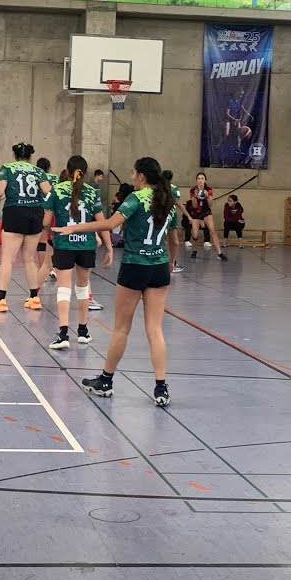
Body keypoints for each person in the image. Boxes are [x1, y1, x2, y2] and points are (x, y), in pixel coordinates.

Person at [54, 157, 175, 406]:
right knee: (155, 329)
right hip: (159, 268)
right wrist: (172, 261)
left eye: (133, 172)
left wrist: (75, 228)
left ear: (141, 176)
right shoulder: (168, 201)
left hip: (134, 267)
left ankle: (106, 381)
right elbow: (173, 238)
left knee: (121, 328)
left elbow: (110, 224)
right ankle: (161, 388)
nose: (131, 176)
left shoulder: (136, 199)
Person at [42, 155, 111, 349]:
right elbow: (102, 221)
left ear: (67, 169)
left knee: (64, 288)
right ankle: (83, 331)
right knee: (82, 287)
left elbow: (46, 221)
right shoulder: (91, 192)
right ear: (86, 171)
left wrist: (51, 234)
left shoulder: (56, 190)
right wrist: (109, 246)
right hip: (86, 246)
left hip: (64, 244)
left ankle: (63, 334)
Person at [0, 143, 52, 312]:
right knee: (29, 259)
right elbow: (49, 192)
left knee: (7, 259)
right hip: (35, 212)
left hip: (15, 211)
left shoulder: (7, 168)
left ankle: (0, 300)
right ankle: (34, 298)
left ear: (15, 155)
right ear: (30, 156)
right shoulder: (38, 171)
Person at [186, 172, 226, 261]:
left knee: (212, 231)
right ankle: (195, 250)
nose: (200, 180)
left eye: (202, 178)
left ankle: (219, 253)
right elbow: (194, 205)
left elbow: (210, 204)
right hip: (196, 213)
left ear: (205, 180)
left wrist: (208, 197)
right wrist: (195, 197)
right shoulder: (193, 190)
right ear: (196, 180)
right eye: (199, 179)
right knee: (195, 235)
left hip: (206, 211)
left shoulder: (209, 189)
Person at [36, 157, 58, 280]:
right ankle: (55, 268)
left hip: (41, 209)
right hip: (55, 211)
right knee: (55, 240)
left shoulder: (37, 177)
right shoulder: (55, 178)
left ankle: (42, 271)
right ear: (49, 167)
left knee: (42, 241)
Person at [162, 170, 188, 274]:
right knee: (173, 242)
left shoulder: (156, 188)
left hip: (164, 217)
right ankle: (170, 263)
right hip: (168, 217)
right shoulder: (174, 189)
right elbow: (179, 203)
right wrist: (189, 216)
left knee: (168, 241)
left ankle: (171, 262)